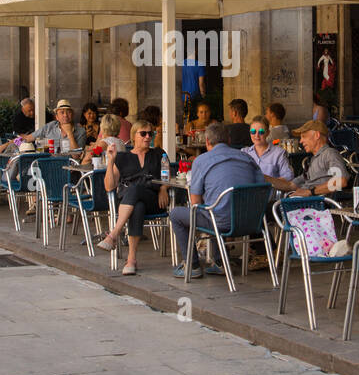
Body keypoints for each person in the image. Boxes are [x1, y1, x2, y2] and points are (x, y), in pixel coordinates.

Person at [170, 121, 263, 279]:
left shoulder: (201, 161)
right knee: (214, 208)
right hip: (252, 221)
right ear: (228, 140)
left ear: (207, 141)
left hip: (220, 222)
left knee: (177, 214)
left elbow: (195, 202)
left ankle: (192, 265)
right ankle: (220, 262)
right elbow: (261, 188)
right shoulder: (247, 158)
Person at [97, 120, 171, 276]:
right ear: (133, 136)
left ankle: (114, 234)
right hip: (129, 203)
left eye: (150, 133)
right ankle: (131, 260)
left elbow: (166, 175)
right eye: (143, 133)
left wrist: (164, 188)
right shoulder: (122, 157)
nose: (147, 137)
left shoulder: (159, 154)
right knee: (137, 206)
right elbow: (109, 186)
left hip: (154, 199)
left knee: (136, 189)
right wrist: (111, 161)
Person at [269, 120, 348, 197]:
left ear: (317, 135)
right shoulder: (314, 159)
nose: (301, 141)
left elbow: (340, 181)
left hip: (315, 205)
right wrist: (263, 178)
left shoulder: (330, 154)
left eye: (304, 136)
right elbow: (291, 185)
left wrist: (310, 192)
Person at [243, 114, 293, 183]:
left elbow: (288, 176)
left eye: (261, 132)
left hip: (271, 191)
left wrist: (269, 181)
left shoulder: (278, 153)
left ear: (268, 133)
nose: (256, 135)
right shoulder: (244, 153)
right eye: (253, 132)